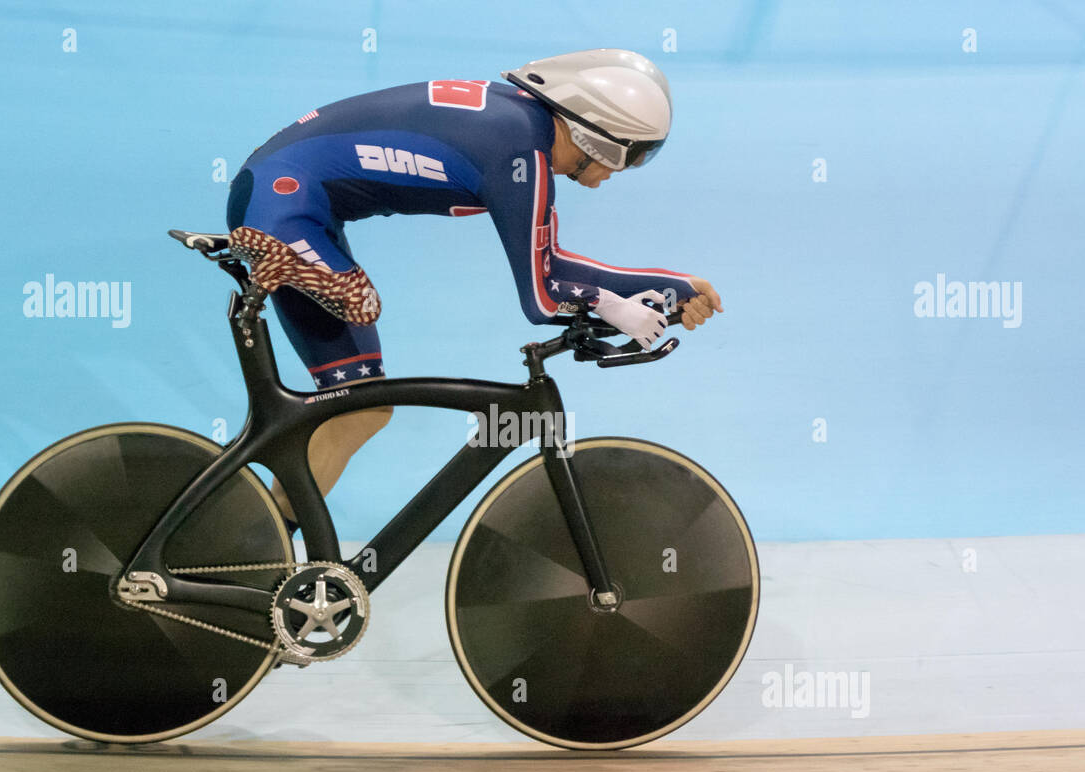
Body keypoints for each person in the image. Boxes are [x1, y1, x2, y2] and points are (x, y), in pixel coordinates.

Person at [225, 48, 724, 524]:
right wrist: (613, 303)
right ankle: (284, 260)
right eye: (631, 157)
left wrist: (670, 289)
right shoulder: (519, 151)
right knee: (360, 303)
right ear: (603, 136)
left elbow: (549, 265)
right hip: (281, 205)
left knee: (362, 409)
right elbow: (543, 296)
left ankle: (252, 547)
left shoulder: (521, 129)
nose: (621, 172)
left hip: (287, 206)